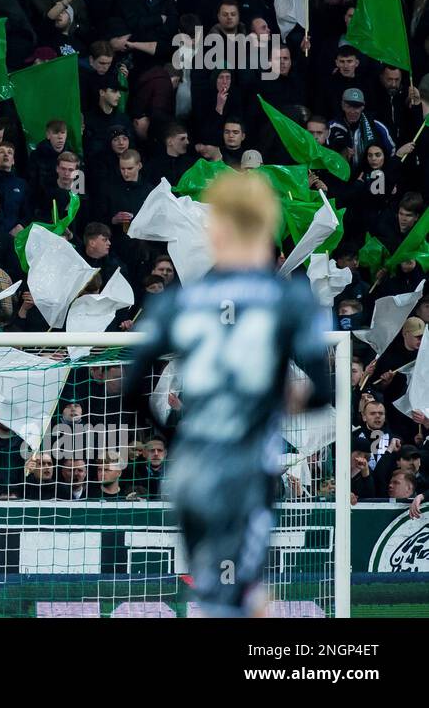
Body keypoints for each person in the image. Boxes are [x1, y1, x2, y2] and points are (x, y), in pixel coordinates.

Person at [121, 171, 333, 617]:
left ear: (215, 235)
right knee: (238, 593)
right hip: (245, 469)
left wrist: (176, 436)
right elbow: (321, 390)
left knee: (215, 587)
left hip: (191, 473)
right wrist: (277, 402)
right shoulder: (288, 300)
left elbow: (133, 388)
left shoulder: (176, 302)